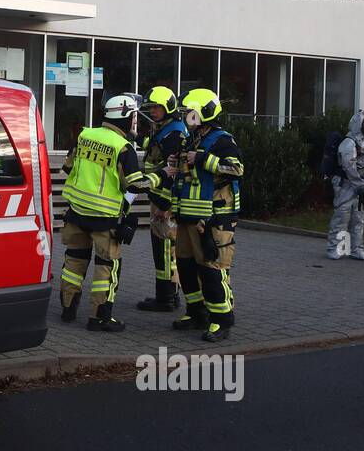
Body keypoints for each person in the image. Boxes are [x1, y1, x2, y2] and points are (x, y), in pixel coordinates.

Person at [58, 92, 160, 332]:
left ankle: (67, 309)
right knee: (106, 267)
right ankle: (99, 318)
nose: (136, 122)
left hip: (76, 213)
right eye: (134, 116)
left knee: (74, 261)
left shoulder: (84, 135)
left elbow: (66, 166)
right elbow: (135, 185)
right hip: (104, 219)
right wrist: (161, 176)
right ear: (124, 117)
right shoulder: (122, 147)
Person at [169, 88, 244, 342]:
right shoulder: (191, 139)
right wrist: (176, 163)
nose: (186, 116)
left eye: (189, 112)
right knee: (186, 266)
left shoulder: (223, 140)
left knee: (213, 268)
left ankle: (221, 320)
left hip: (214, 217)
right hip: (188, 216)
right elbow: (188, 175)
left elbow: (236, 169)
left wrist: (203, 159)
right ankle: (196, 312)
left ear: (202, 113)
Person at [135, 86, 188, 312]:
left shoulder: (174, 133)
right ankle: (170, 294)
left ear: (168, 107)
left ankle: (165, 298)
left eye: (156, 107)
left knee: (164, 250)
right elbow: (153, 149)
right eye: (150, 107)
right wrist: (135, 138)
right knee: (166, 250)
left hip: (164, 202)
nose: (153, 111)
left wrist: (166, 206)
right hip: (159, 199)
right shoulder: (166, 129)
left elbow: (174, 172)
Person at [326, 109, 364, 261]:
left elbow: (363, 165)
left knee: (358, 218)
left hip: (356, 185)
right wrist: (360, 183)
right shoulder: (348, 143)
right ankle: (336, 248)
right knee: (342, 217)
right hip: (345, 184)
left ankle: (356, 248)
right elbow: (349, 166)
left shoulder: (363, 143)